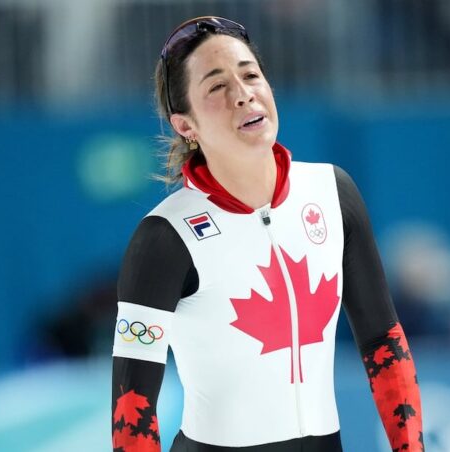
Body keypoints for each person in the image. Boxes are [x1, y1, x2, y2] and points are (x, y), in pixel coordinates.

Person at [110, 16, 423, 452]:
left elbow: (382, 342)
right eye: (217, 87)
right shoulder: (164, 237)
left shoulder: (333, 193)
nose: (243, 95)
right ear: (186, 126)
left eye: (251, 75)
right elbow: (132, 405)